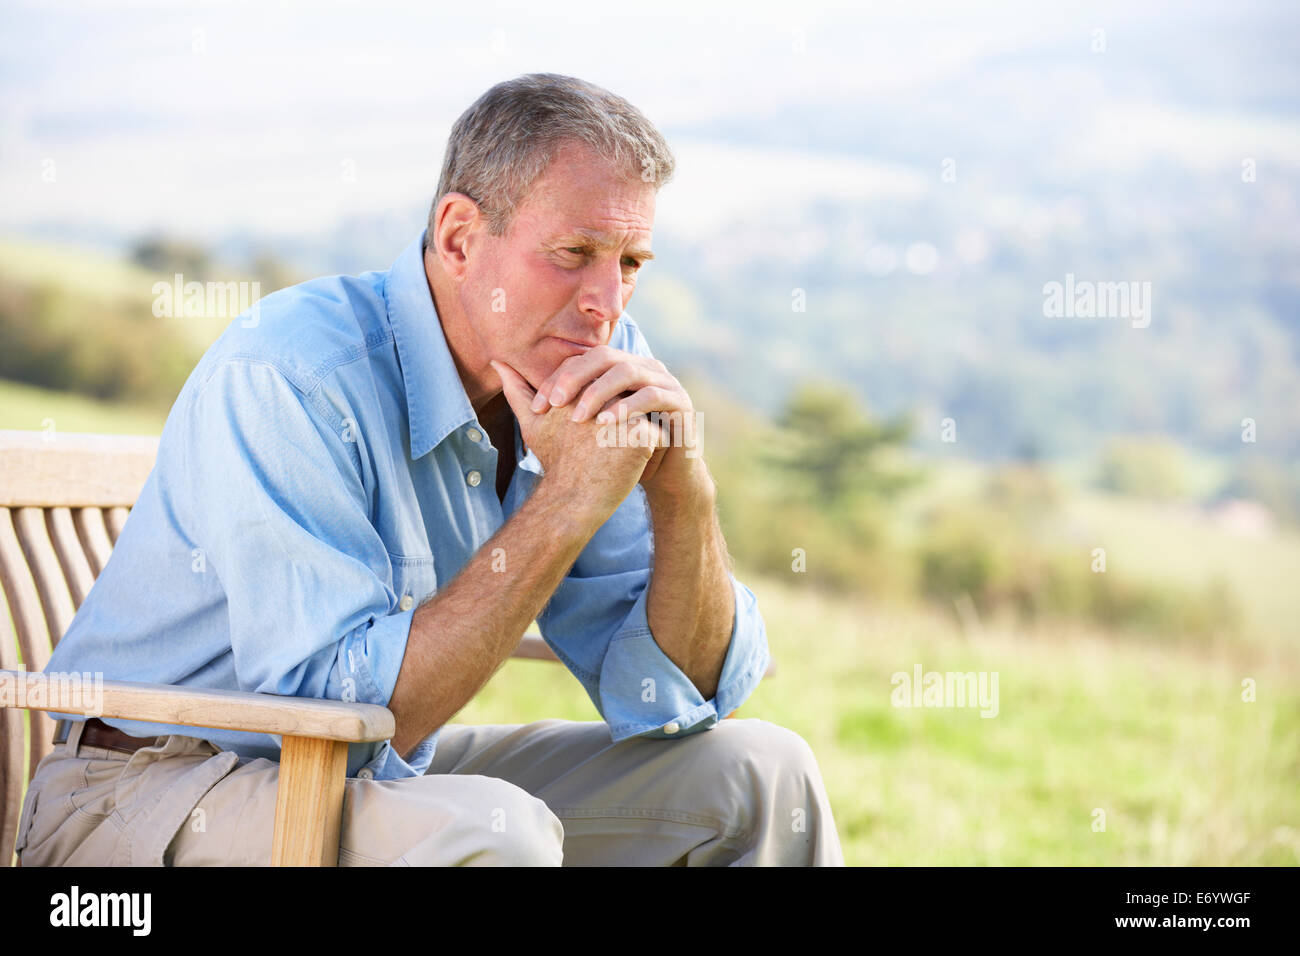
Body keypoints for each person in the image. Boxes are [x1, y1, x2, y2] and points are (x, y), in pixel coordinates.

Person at [18, 73, 844, 866]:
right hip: (145, 795)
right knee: (495, 834)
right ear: (457, 238)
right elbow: (332, 710)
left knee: (761, 776)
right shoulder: (292, 377)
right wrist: (564, 504)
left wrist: (681, 489)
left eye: (630, 262)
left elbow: (678, 693)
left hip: (371, 776)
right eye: (574, 252)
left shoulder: (590, 361)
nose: (607, 301)